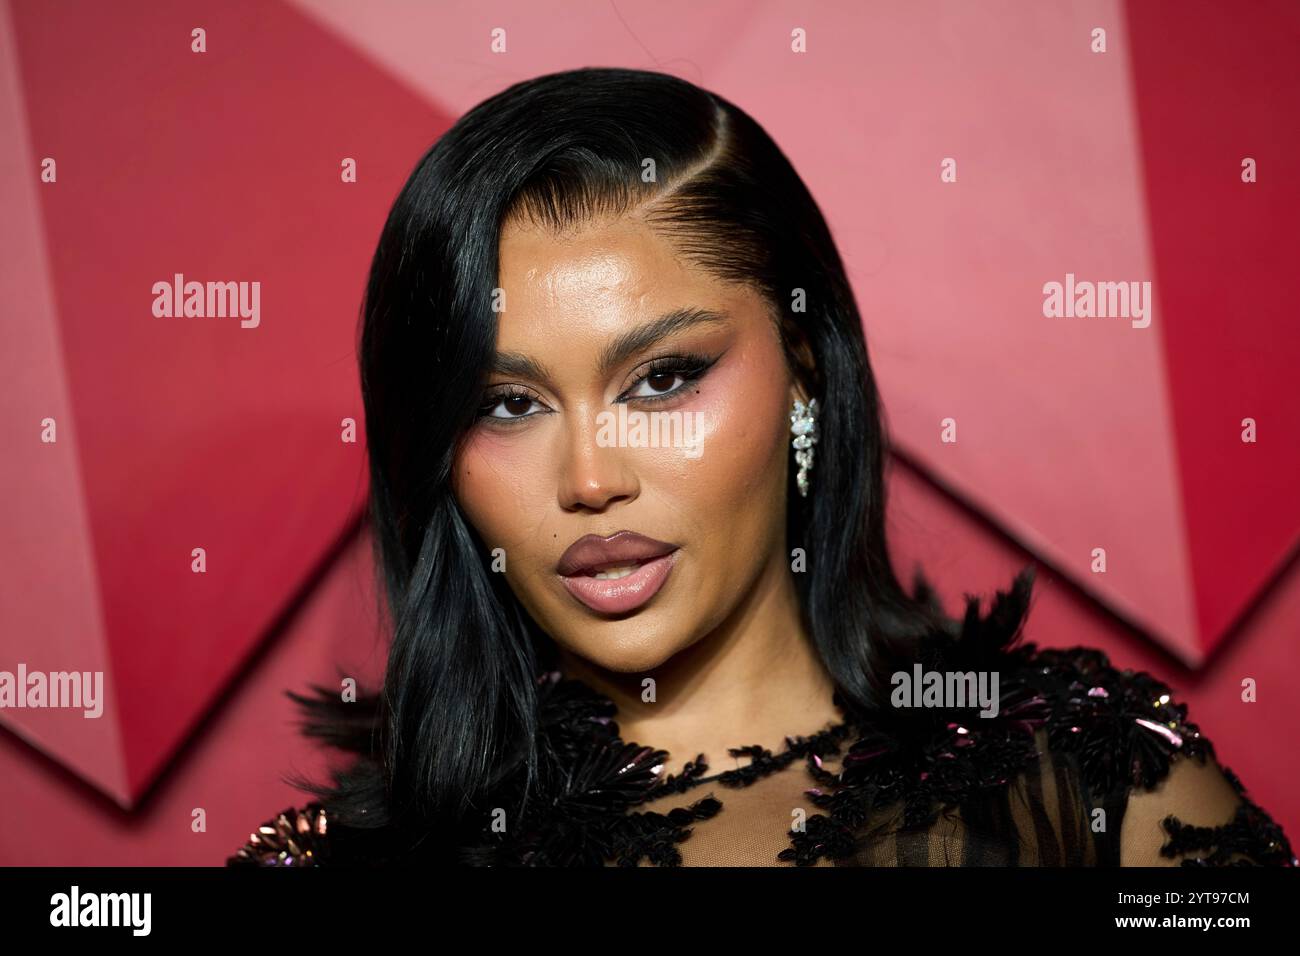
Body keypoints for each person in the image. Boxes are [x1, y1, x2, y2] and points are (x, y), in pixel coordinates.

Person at [228, 67, 1294, 868]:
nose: (589, 477)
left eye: (660, 378)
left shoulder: (1097, 783)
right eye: (506, 404)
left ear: (803, 375)